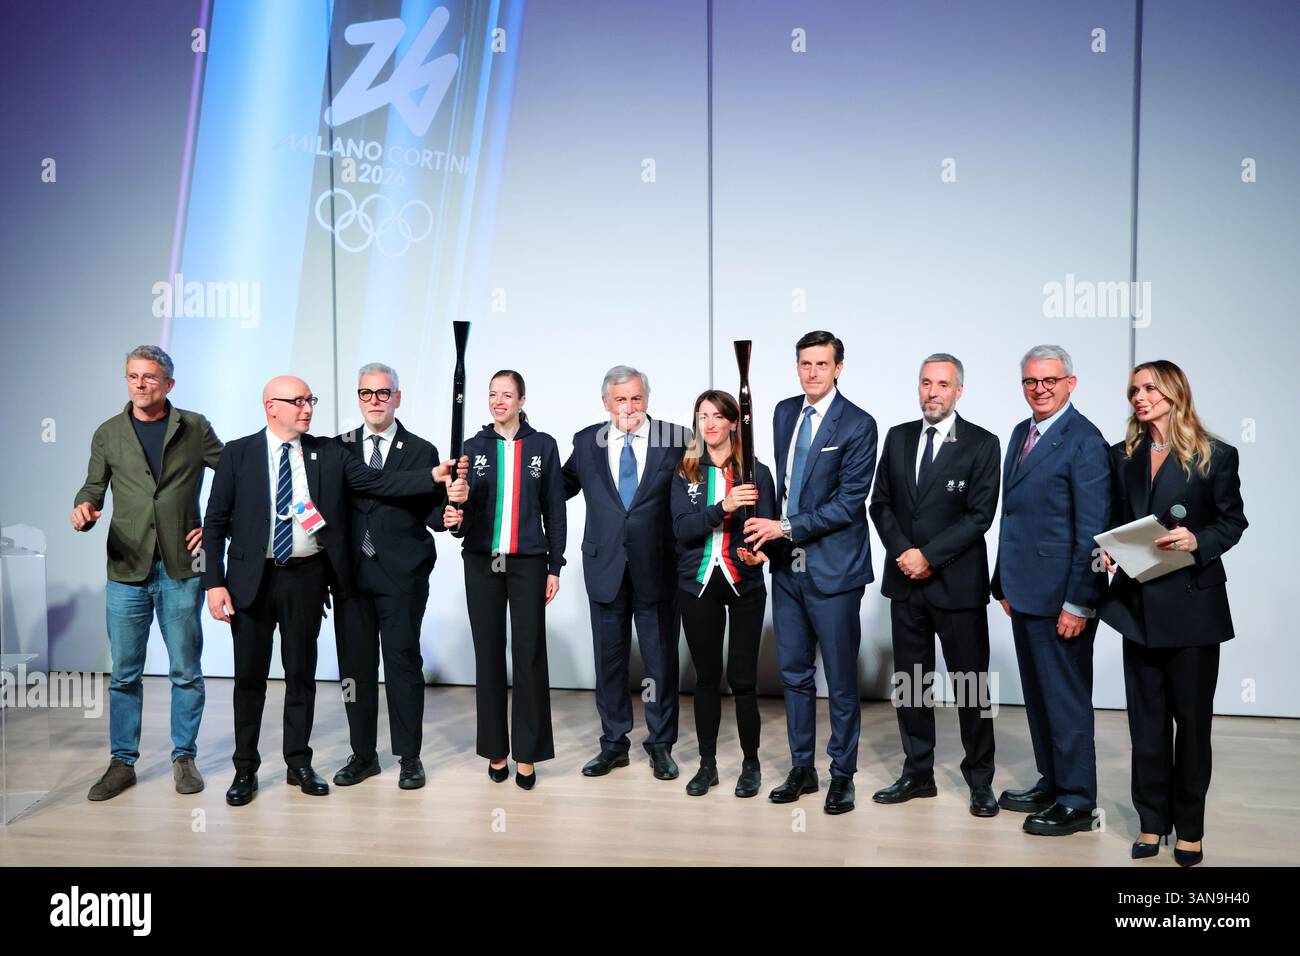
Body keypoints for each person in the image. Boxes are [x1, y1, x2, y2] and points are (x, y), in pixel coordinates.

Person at [201, 376, 456, 806]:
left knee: (302, 677)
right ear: (271, 406)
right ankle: (245, 769)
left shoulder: (326, 452)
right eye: (298, 401)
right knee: (250, 680)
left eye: (310, 400)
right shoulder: (239, 453)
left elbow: (378, 483)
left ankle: (299, 763)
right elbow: (215, 522)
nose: (307, 407)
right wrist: (213, 582)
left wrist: (433, 475)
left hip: (306, 581)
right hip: (252, 583)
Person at [1099, 360, 1247, 866]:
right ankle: (1151, 822)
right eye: (1134, 390)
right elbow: (1113, 523)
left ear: (1175, 392)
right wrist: (1106, 553)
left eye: (1149, 389)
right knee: (1146, 725)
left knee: (1192, 725)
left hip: (1193, 609)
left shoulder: (1215, 455)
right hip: (1136, 607)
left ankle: (1190, 828)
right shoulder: (1121, 456)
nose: (1139, 397)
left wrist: (1197, 540)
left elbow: (1233, 521)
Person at [71, 345, 223, 801]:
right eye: (133, 376)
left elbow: (234, 474)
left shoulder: (194, 427)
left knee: (185, 670)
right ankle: (122, 763)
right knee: (124, 674)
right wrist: (84, 508)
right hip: (126, 566)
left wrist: (215, 529)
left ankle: (184, 758)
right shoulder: (109, 433)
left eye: (150, 378)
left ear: (168, 384)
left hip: (182, 566)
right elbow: (93, 486)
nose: (140, 384)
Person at [744, 330, 877, 815]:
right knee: (794, 675)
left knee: (840, 681)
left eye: (822, 364)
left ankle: (842, 775)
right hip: (786, 568)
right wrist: (761, 537)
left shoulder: (859, 424)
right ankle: (803, 768)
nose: (813, 373)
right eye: (805, 364)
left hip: (835, 570)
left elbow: (847, 504)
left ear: (838, 368)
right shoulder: (783, 412)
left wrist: (783, 527)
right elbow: (779, 485)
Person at [868, 353, 1001, 817]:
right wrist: (905, 552)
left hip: (957, 585)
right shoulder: (898, 436)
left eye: (943, 384)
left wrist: (929, 555)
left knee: (970, 685)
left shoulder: (983, 444)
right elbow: (879, 503)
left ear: (958, 391)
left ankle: (980, 779)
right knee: (911, 683)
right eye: (926, 383)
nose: (933, 392)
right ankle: (917, 773)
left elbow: (980, 516)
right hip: (906, 583)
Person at [991, 344, 1111, 836]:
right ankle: (1053, 782)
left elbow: (1093, 530)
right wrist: (1002, 580)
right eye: (1030, 382)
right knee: (1039, 697)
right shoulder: (1022, 432)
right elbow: (1013, 516)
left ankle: (1078, 802)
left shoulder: (1085, 440)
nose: (1039, 389)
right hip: (1024, 592)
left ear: (1070, 383)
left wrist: (1079, 601)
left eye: (1049, 381)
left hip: (1063, 597)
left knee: (1065, 699)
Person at [562, 366, 690, 781]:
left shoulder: (677, 438)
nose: (629, 408)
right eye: (620, 399)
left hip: (659, 567)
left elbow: (702, 486)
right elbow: (559, 486)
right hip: (605, 567)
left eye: (636, 398)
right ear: (605, 403)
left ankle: (660, 745)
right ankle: (614, 744)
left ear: (647, 399)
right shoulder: (586, 441)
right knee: (609, 662)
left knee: (660, 662)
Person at [440, 370, 566, 788]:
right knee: (489, 653)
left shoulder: (542, 446)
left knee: (529, 655)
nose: (498, 401)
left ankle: (527, 754)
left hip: (529, 562)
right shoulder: (472, 448)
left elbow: (554, 509)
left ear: (522, 399)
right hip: (481, 561)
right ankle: (496, 750)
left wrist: (555, 565)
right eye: (492, 394)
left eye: (506, 394)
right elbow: (460, 516)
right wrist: (455, 514)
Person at [330, 363, 451, 791]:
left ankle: (409, 756)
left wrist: (451, 513)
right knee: (355, 670)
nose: (375, 401)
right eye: (366, 394)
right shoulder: (337, 448)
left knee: (402, 664)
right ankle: (363, 755)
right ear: (358, 398)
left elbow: (433, 512)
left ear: (397, 397)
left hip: (402, 575)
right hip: (350, 577)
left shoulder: (421, 449)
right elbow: (343, 501)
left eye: (383, 393)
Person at [670, 390, 776, 798]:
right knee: (707, 676)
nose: (709, 424)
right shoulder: (685, 472)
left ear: (735, 422)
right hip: (697, 583)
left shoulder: (755, 472)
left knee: (744, 679)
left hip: (743, 582)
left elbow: (771, 527)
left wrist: (762, 552)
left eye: (718, 416)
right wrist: (725, 505)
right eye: (702, 416)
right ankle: (707, 764)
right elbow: (681, 529)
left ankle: (751, 765)